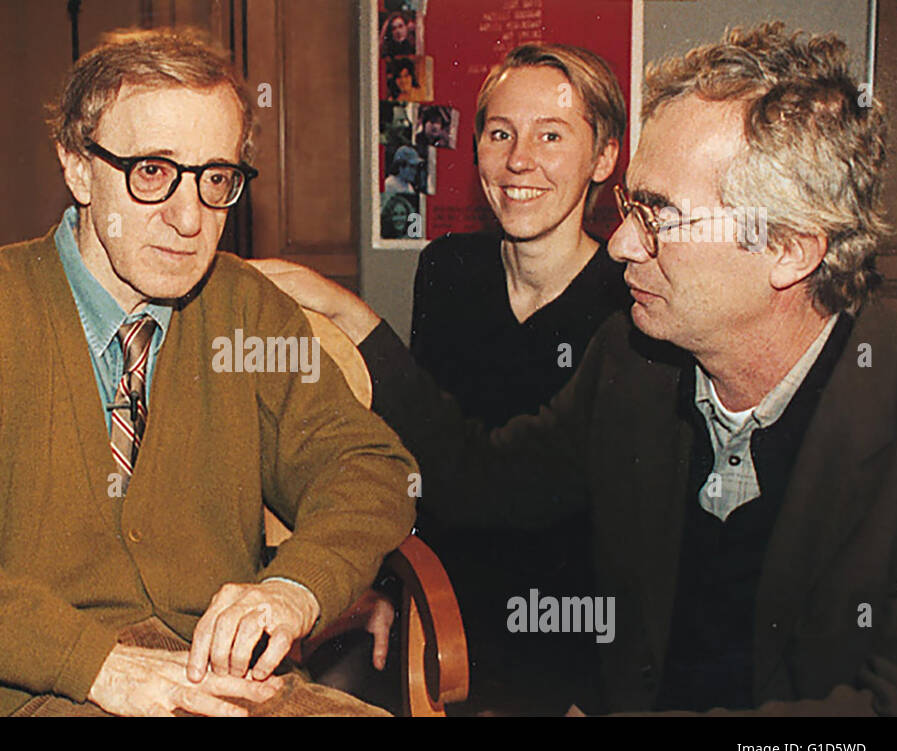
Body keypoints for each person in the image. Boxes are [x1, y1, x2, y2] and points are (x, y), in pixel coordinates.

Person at [268, 22, 897, 715]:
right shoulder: (633, 362)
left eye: (660, 215)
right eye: (633, 206)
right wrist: (357, 325)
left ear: (790, 249)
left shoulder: (896, 408)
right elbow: (482, 479)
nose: (622, 244)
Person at [0, 28, 417, 717]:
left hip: (220, 689)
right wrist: (91, 661)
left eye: (215, 178)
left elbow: (371, 466)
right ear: (76, 166)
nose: (190, 218)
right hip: (19, 691)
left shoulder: (247, 313)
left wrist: (295, 587)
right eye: (152, 172)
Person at [263, 42, 628, 713]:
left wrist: (352, 314)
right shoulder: (450, 271)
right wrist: (379, 585)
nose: (519, 160)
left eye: (551, 134)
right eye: (499, 133)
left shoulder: (631, 307)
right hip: (432, 602)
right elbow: (411, 459)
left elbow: (513, 487)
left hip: (568, 642)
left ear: (604, 157)